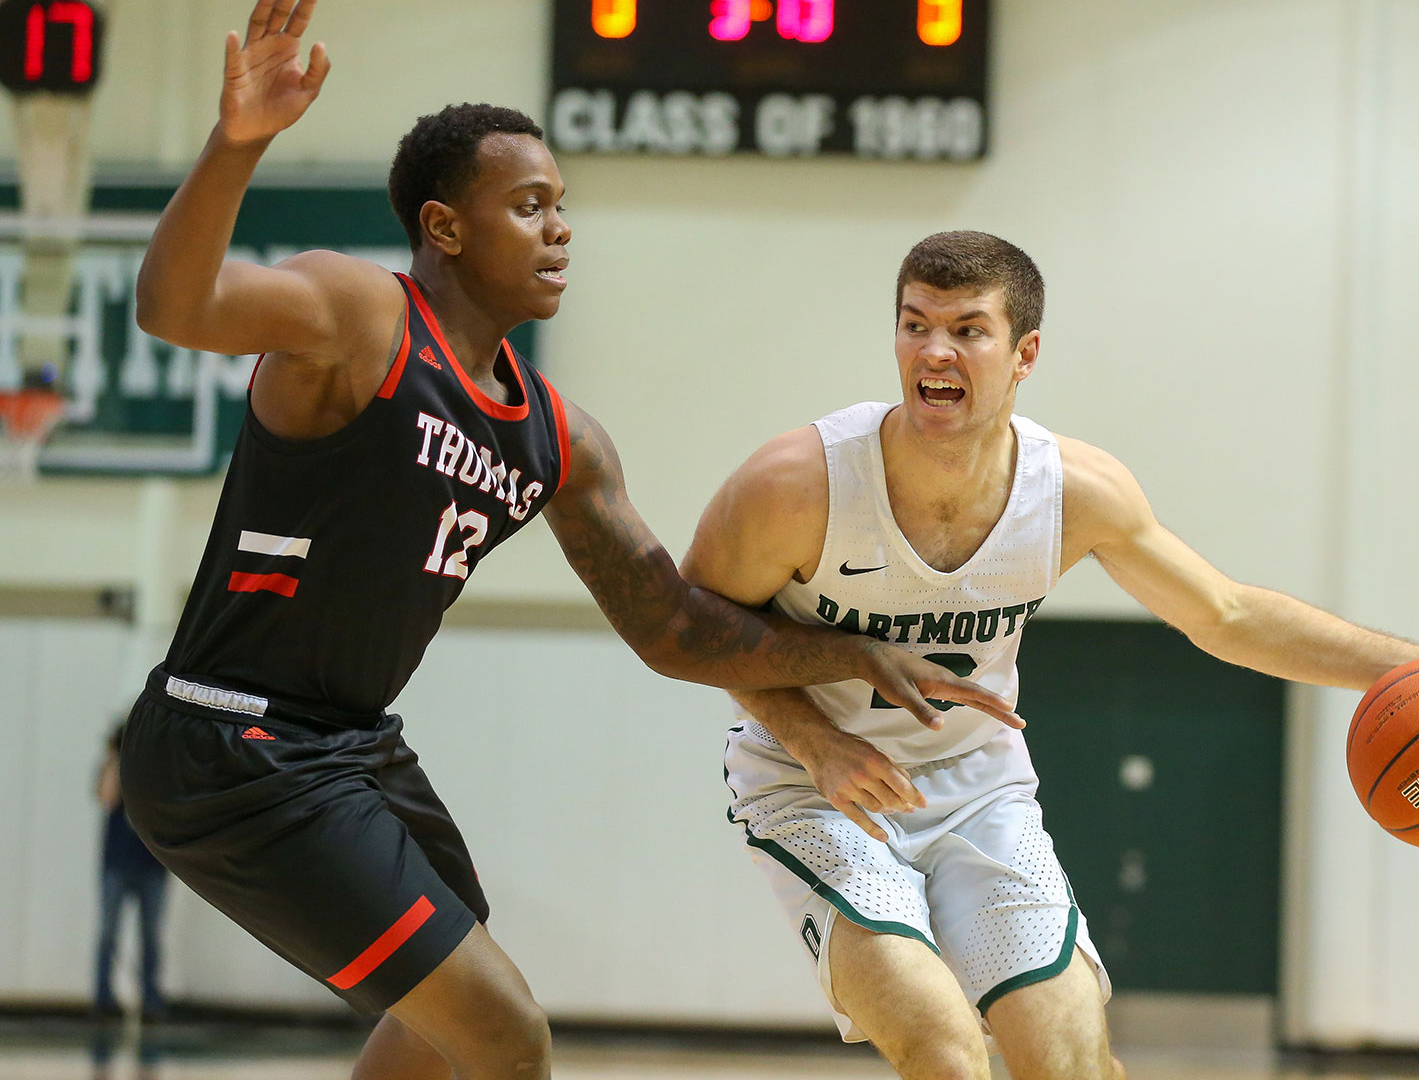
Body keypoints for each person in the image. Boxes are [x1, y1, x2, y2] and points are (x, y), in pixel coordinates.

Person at [119, 6, 1018, 1080]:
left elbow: (674, 626)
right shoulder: (359, 316)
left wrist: (853, 648)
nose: (560, 229)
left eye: (562, 206)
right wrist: (237, 144)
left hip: (351, 746)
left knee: (448, 1018)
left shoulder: (560, 437)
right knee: (505, 1031)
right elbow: (176, 307)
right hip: (232, 740)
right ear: (446, 228)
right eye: (530, 206)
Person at [682, 231, 1419, 1080]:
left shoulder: (1073, 489)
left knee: (1069, 1059)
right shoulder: (800, 483)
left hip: (976, 788)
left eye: (968, 330)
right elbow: (689, 627)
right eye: (914, 324)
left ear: (1025, 354)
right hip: (814, 788)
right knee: (944, 1050)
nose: (934, 351)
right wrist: (813, 739)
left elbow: (1227, 615)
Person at [92, 722, 169, 1023]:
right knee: (108, 933)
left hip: (151, 865)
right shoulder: (114, 769)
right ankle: (103, 998)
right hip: (116, 865)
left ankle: (151, 998)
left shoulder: (154, 771)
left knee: (150, 935)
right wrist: (114, 755)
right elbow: (107, 797)